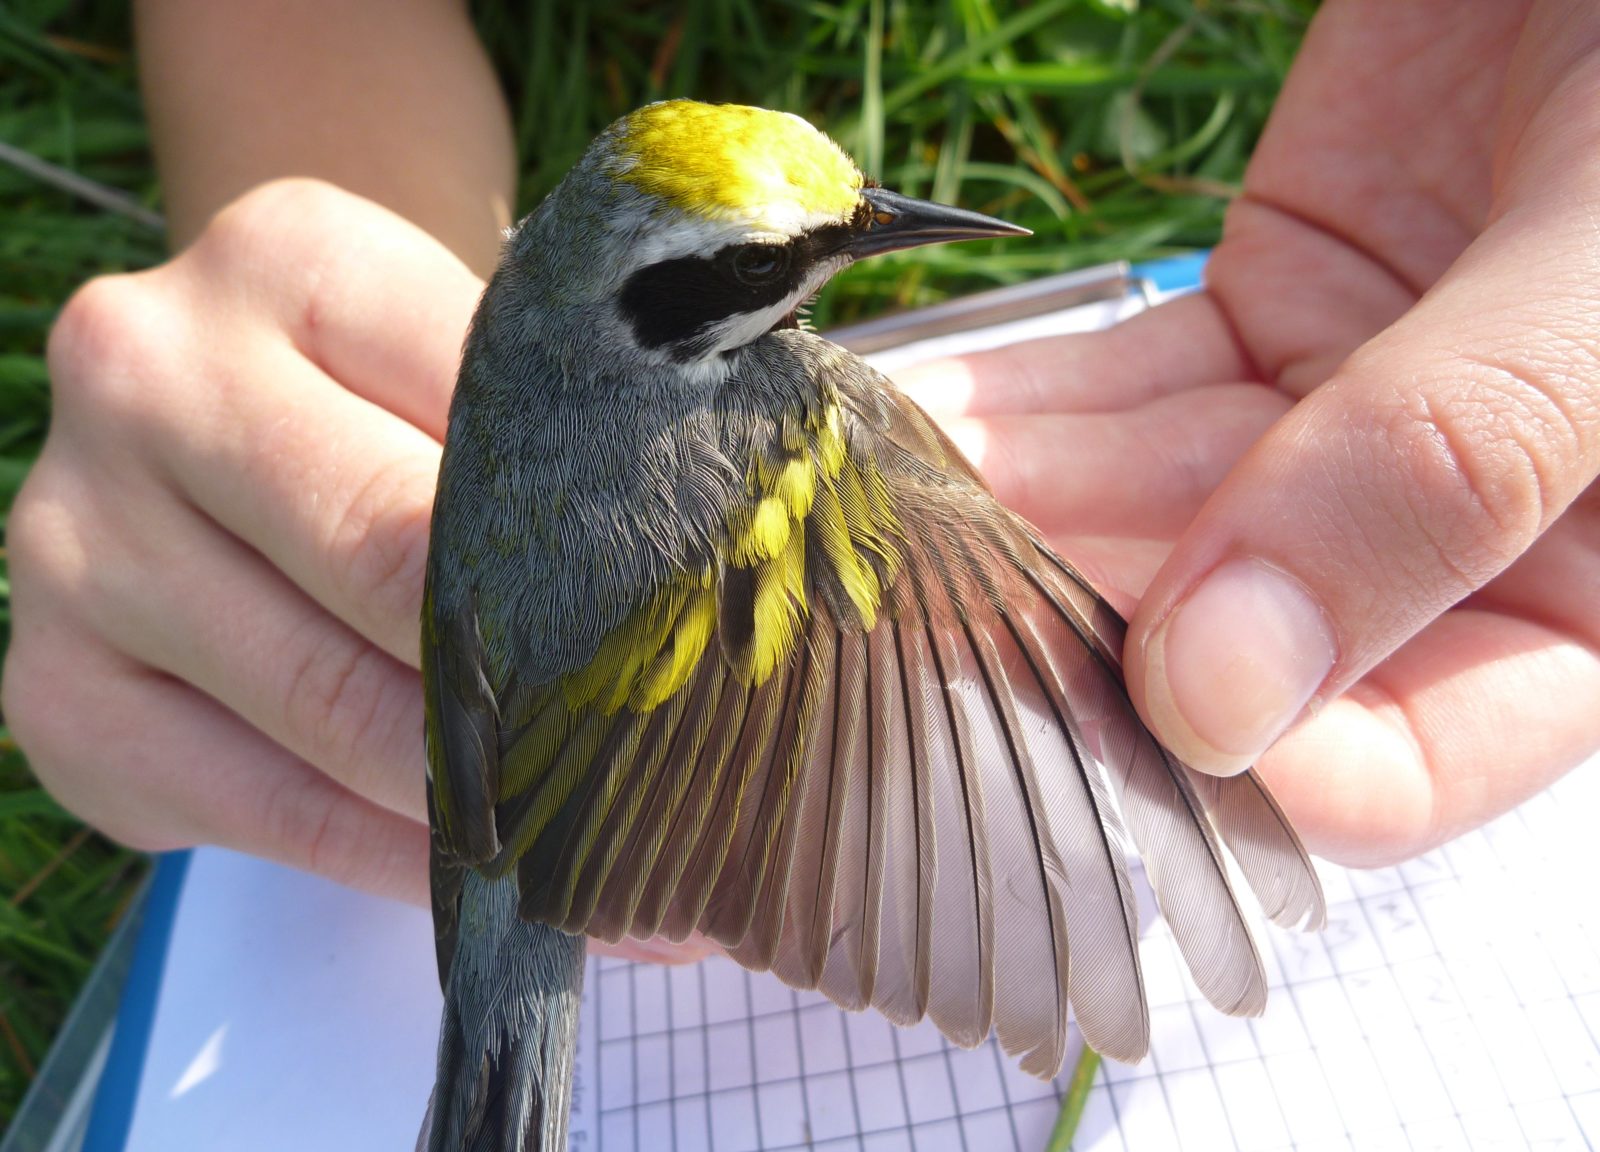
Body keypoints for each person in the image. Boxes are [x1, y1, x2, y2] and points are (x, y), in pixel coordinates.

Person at [6, 0, 1596, 938]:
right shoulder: (784, 426)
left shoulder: (682, 355)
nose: (879, 233)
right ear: (673, 300)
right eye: (805, 248)